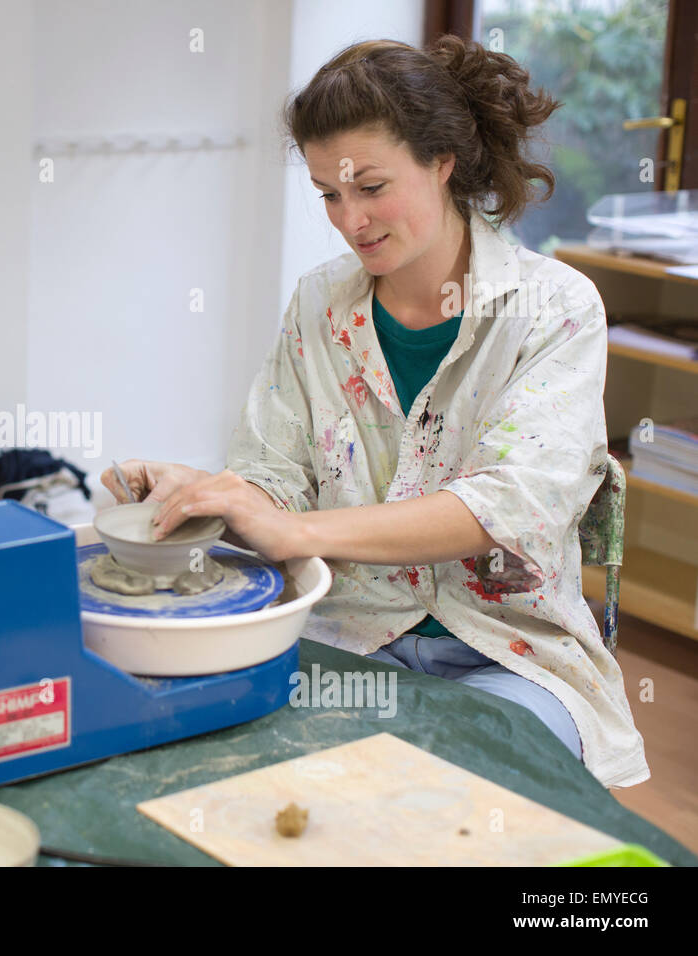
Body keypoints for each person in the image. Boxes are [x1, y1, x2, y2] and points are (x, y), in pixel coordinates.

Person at [104, 36, 648, 788]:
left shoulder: (553, 309)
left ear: (442, 161)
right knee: (205, 766)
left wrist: (297, 531)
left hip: (510, 656)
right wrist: (208, 494)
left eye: (370, 187)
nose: (349, 219)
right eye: (329, 192)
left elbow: (508, 504)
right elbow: (275, 473)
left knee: (428, 796)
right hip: (343, 636)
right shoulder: (320, 304)